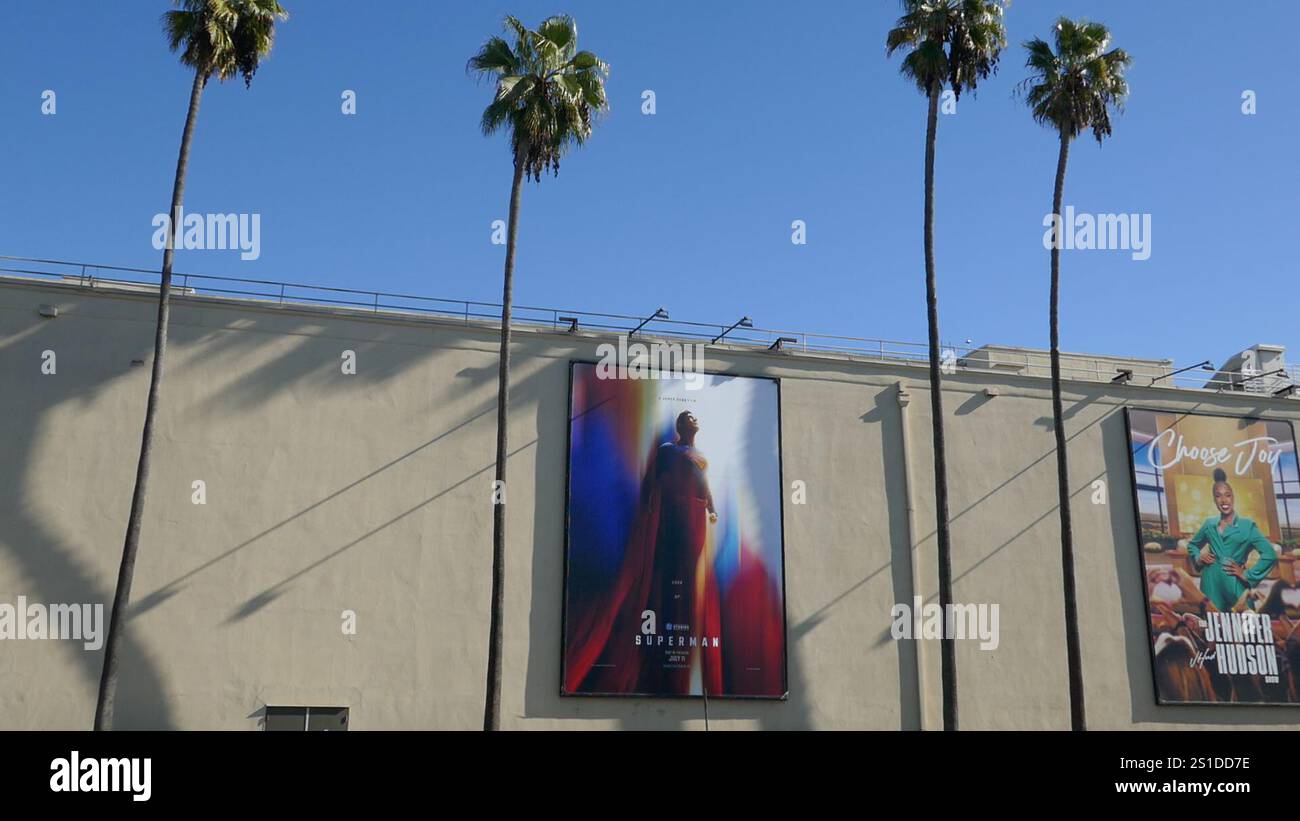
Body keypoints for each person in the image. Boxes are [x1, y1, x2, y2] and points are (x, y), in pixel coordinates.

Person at [1188, 468, 1278, 612]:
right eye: (1218, 496)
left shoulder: (1247, 525)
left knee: (1249, 628)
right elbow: (1193, 545)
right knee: (1214, 628)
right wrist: (1198, 558)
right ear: (1214, 500)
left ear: (1233, 497)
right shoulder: (1209, 524)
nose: (1223, 500)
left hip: (1235, 583)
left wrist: (1247, 575)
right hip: (1210, 582)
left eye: (1227, 495)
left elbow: (1270, 555)